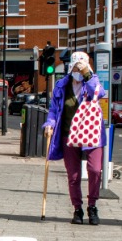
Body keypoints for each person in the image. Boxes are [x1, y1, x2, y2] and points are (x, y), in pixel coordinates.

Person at [44, 51, 107, 225]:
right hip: (68, 135)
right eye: (75, 67)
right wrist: (50, 123)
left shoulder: (92, 82)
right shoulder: (61, 86)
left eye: (81, 66)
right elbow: (54, 110)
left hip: (91, 134)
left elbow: (98, 92)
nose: (78, 70)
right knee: (73, 175)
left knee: (95, 170)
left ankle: (92, 205)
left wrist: (87, 73)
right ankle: (77, 208)